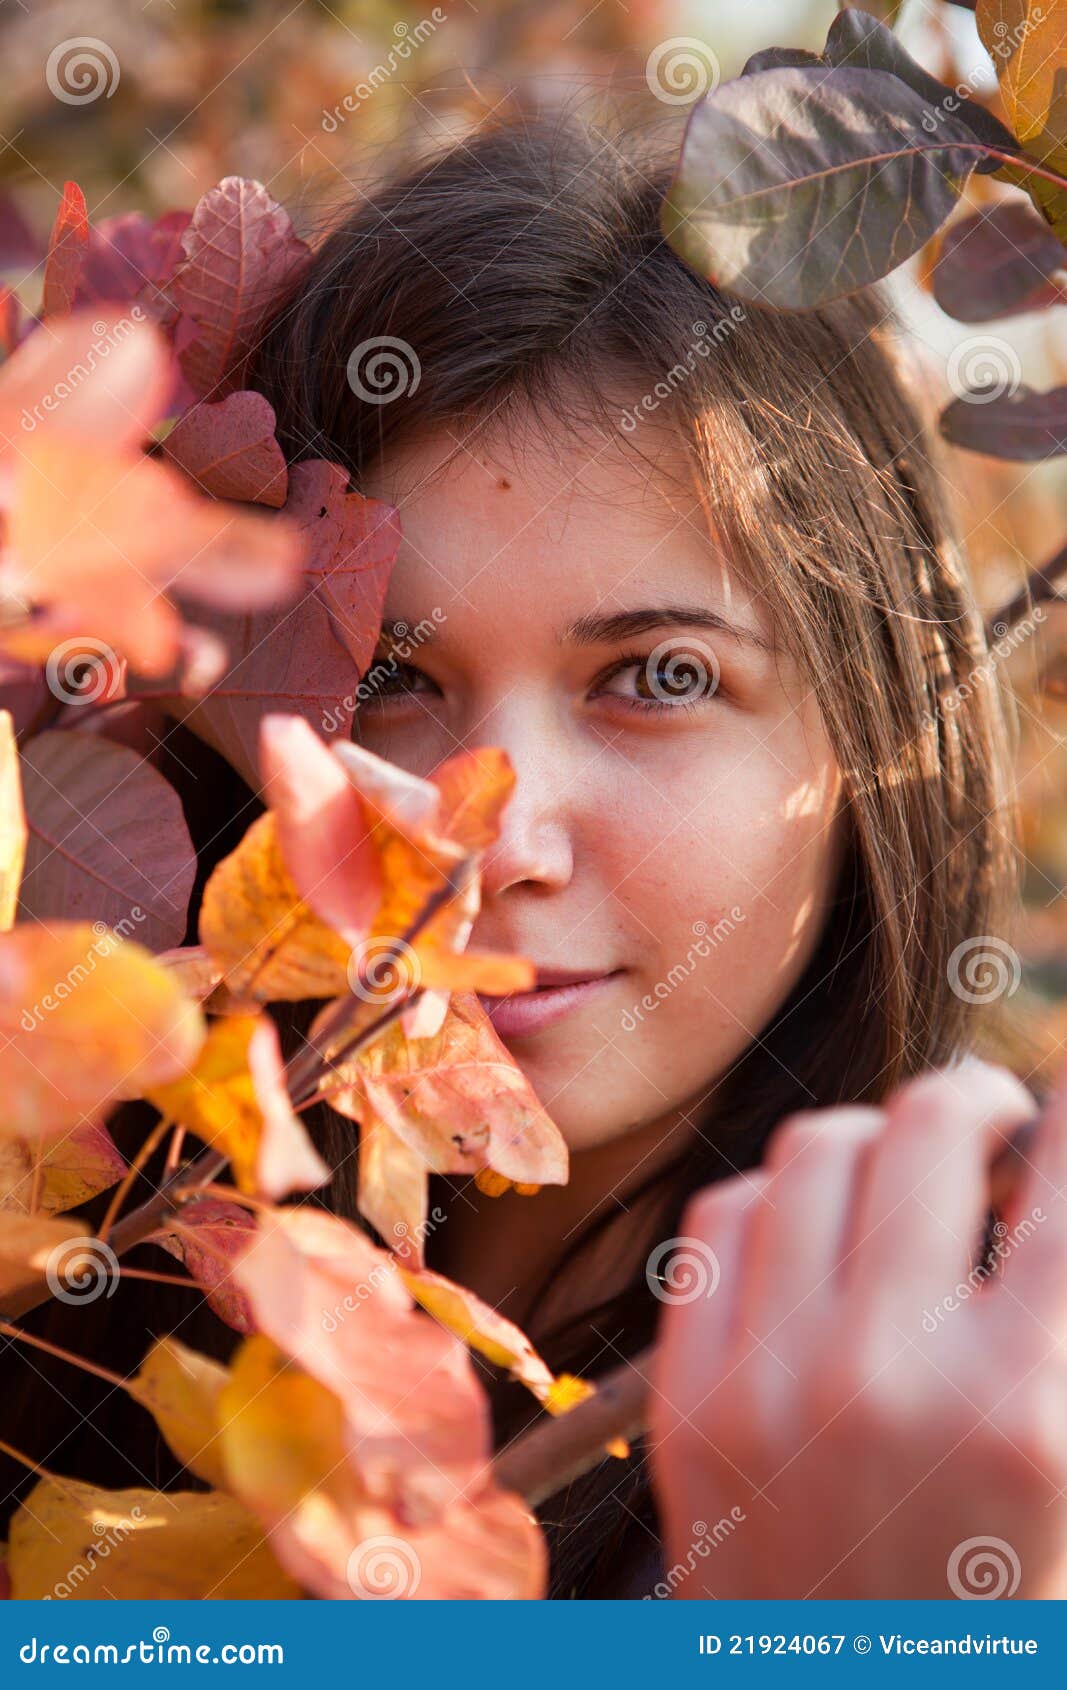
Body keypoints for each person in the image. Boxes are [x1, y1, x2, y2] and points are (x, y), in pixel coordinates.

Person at [2, 105, 1062, 1601]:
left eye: (660, 678)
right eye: (390, 679)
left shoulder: (996, 1430)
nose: (480, 846)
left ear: (868, 739)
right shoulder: (69, 1279)